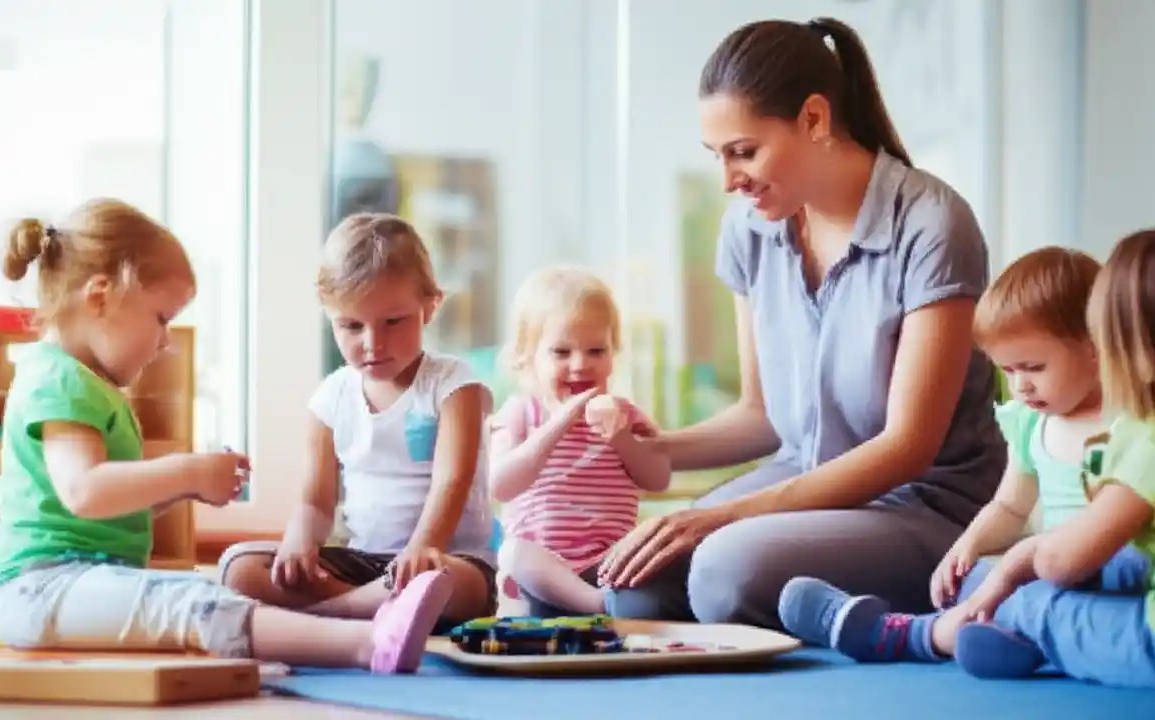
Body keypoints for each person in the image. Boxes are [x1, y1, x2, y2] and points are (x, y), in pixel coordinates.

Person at [599, 17, 1005, 629]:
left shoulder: (931, 224)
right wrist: (640, 446)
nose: (729, 179)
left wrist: (726, 517)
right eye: (717, 156)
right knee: (634, 588)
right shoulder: (750, 228)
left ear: (814, 119)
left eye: (743, 151)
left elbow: (906, 447)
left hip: (925, 504)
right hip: (803, 481)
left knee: (722, 574)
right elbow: (761, 417)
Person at [0, 199, 451, 673]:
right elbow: (84, 492)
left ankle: (358, 633)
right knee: (195, 601)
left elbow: (106, 507)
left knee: (197, 597)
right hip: (40, 588)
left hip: (69, 582)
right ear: (101, 296)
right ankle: (368, 644)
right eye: (161, 318)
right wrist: (187, 470)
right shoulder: (58, 379)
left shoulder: (80, 381)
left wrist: (189, 486)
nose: (165, 341)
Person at [787, 228, 1155, 691]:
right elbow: (1012, 507)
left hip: (1130, 614)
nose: (1021, 384)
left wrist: (1015, 566)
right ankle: (1007, 638)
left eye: (1032, 367)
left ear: (1111, 351)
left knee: (1024, 598)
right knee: (991, 580)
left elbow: (1068, 559)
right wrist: (973, 551)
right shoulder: (1039, 426)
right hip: (1110, 574)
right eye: (1008, 370)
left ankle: (918, 635)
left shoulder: (1149, 436)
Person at [220, 212, 497, 629]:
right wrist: (300, 542)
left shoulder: (454, 384)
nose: (373, 343)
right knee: (237, 567)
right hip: (367, 565)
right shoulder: (330, 399)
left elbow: (452, 481)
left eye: (393, 322)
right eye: (351, 325)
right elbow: (316, 502)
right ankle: (376, 612)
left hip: (448, 562)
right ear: (329, 317)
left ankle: (334, 617)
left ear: (430, 306)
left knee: (435, 580)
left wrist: (422, 549)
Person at [489, 266, 670, 616]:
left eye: (596, 351)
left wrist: (622, 439)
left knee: (656, 562)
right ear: (528, 358)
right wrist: (557, 424)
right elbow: (500, 486)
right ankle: (596, 606)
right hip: (541, 568)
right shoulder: (520, 413)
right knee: (512, 553)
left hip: (608, 565)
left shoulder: (625, 415)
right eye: (561, 352)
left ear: (613, 355)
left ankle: (604, 602)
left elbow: (658, 479)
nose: (580, 365)